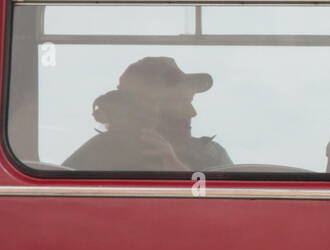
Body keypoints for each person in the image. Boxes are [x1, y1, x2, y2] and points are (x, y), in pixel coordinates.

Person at [64, 57, 232, 172]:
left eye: (190, 101)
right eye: (179, 101)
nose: (192, 113)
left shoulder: (211, 155)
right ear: (143, 109)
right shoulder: (98, 152)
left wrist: (177, 170)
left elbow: (229, 215)